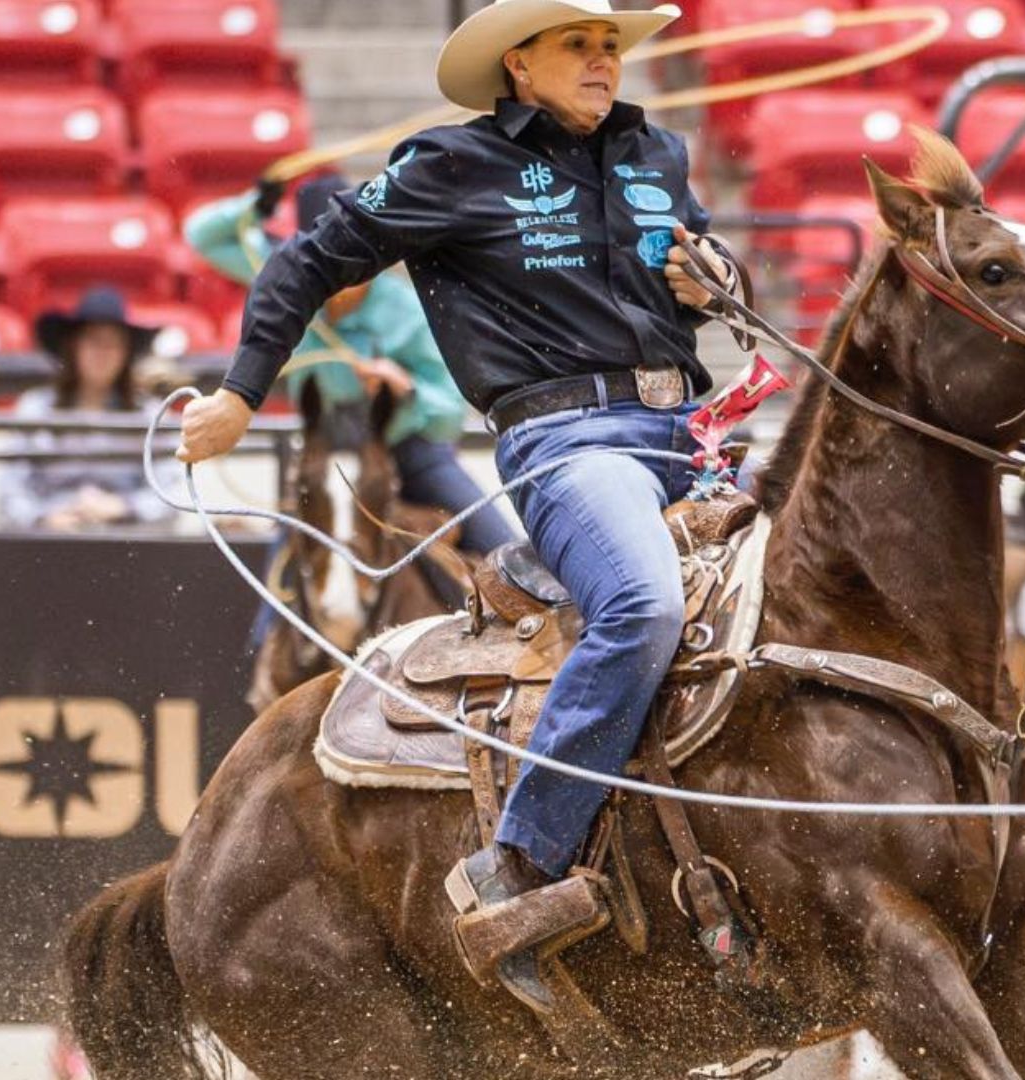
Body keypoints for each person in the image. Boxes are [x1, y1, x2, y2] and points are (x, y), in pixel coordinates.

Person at [173, 0, 736, 991]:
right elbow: (306, 260)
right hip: (568, 442)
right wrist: (238, 393)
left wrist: (712, 275)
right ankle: (516, 865)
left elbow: (701, 259)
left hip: (694, 431)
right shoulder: (450, 165)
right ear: (518, 65)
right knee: (643, 607)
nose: (605, 59)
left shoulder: (659, 153)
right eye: (580, 43)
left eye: (612, 43)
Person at [183, 172, 518, 555]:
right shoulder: (290, 278)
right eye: (321, 264)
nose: (336, 281)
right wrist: (254, 206)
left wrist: (405, 391)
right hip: (321, 457)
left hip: (405, 453)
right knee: (282, 589)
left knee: (502, 551)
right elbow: (201, 236)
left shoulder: (406, 310)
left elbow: (450, 415)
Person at [0, 287, 178, 532]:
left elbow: (172, 494)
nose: (102, 353)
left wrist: (124, 507)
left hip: (128, 543)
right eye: (93, 340)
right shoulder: (35, 408)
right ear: (74, 347)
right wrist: (44, 518)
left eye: (113, 343)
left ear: (126, 353)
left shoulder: (150, 413)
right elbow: (10, 491)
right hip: (47, 544)